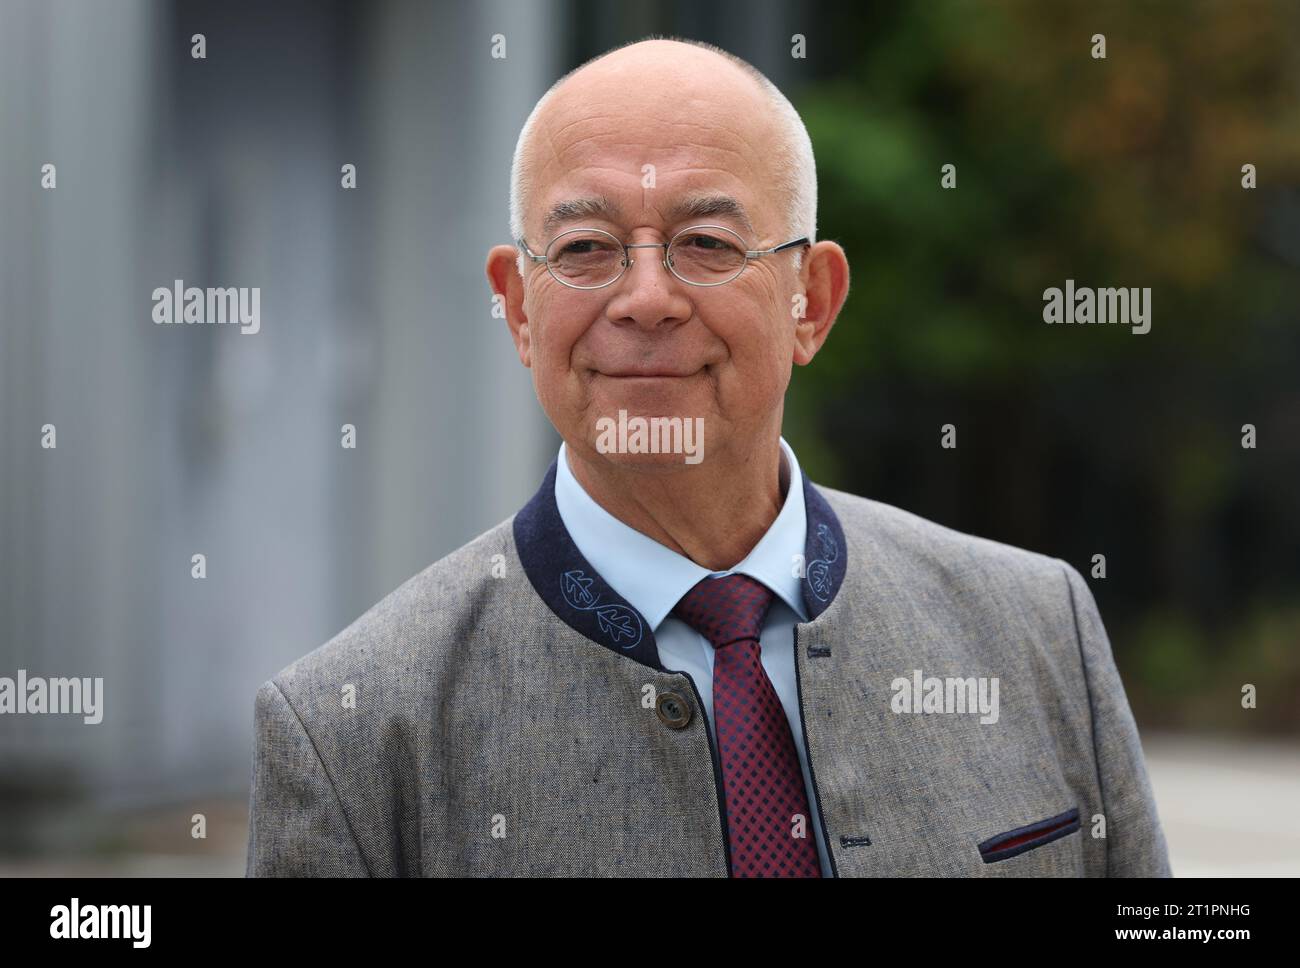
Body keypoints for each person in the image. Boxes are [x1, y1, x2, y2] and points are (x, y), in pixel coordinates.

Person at [246, 36, 1171, 877]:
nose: (646, 298)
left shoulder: (1035, 631)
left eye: (706, 244)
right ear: (519, 308)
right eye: (584, 247)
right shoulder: (352, 733)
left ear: (811, 298)